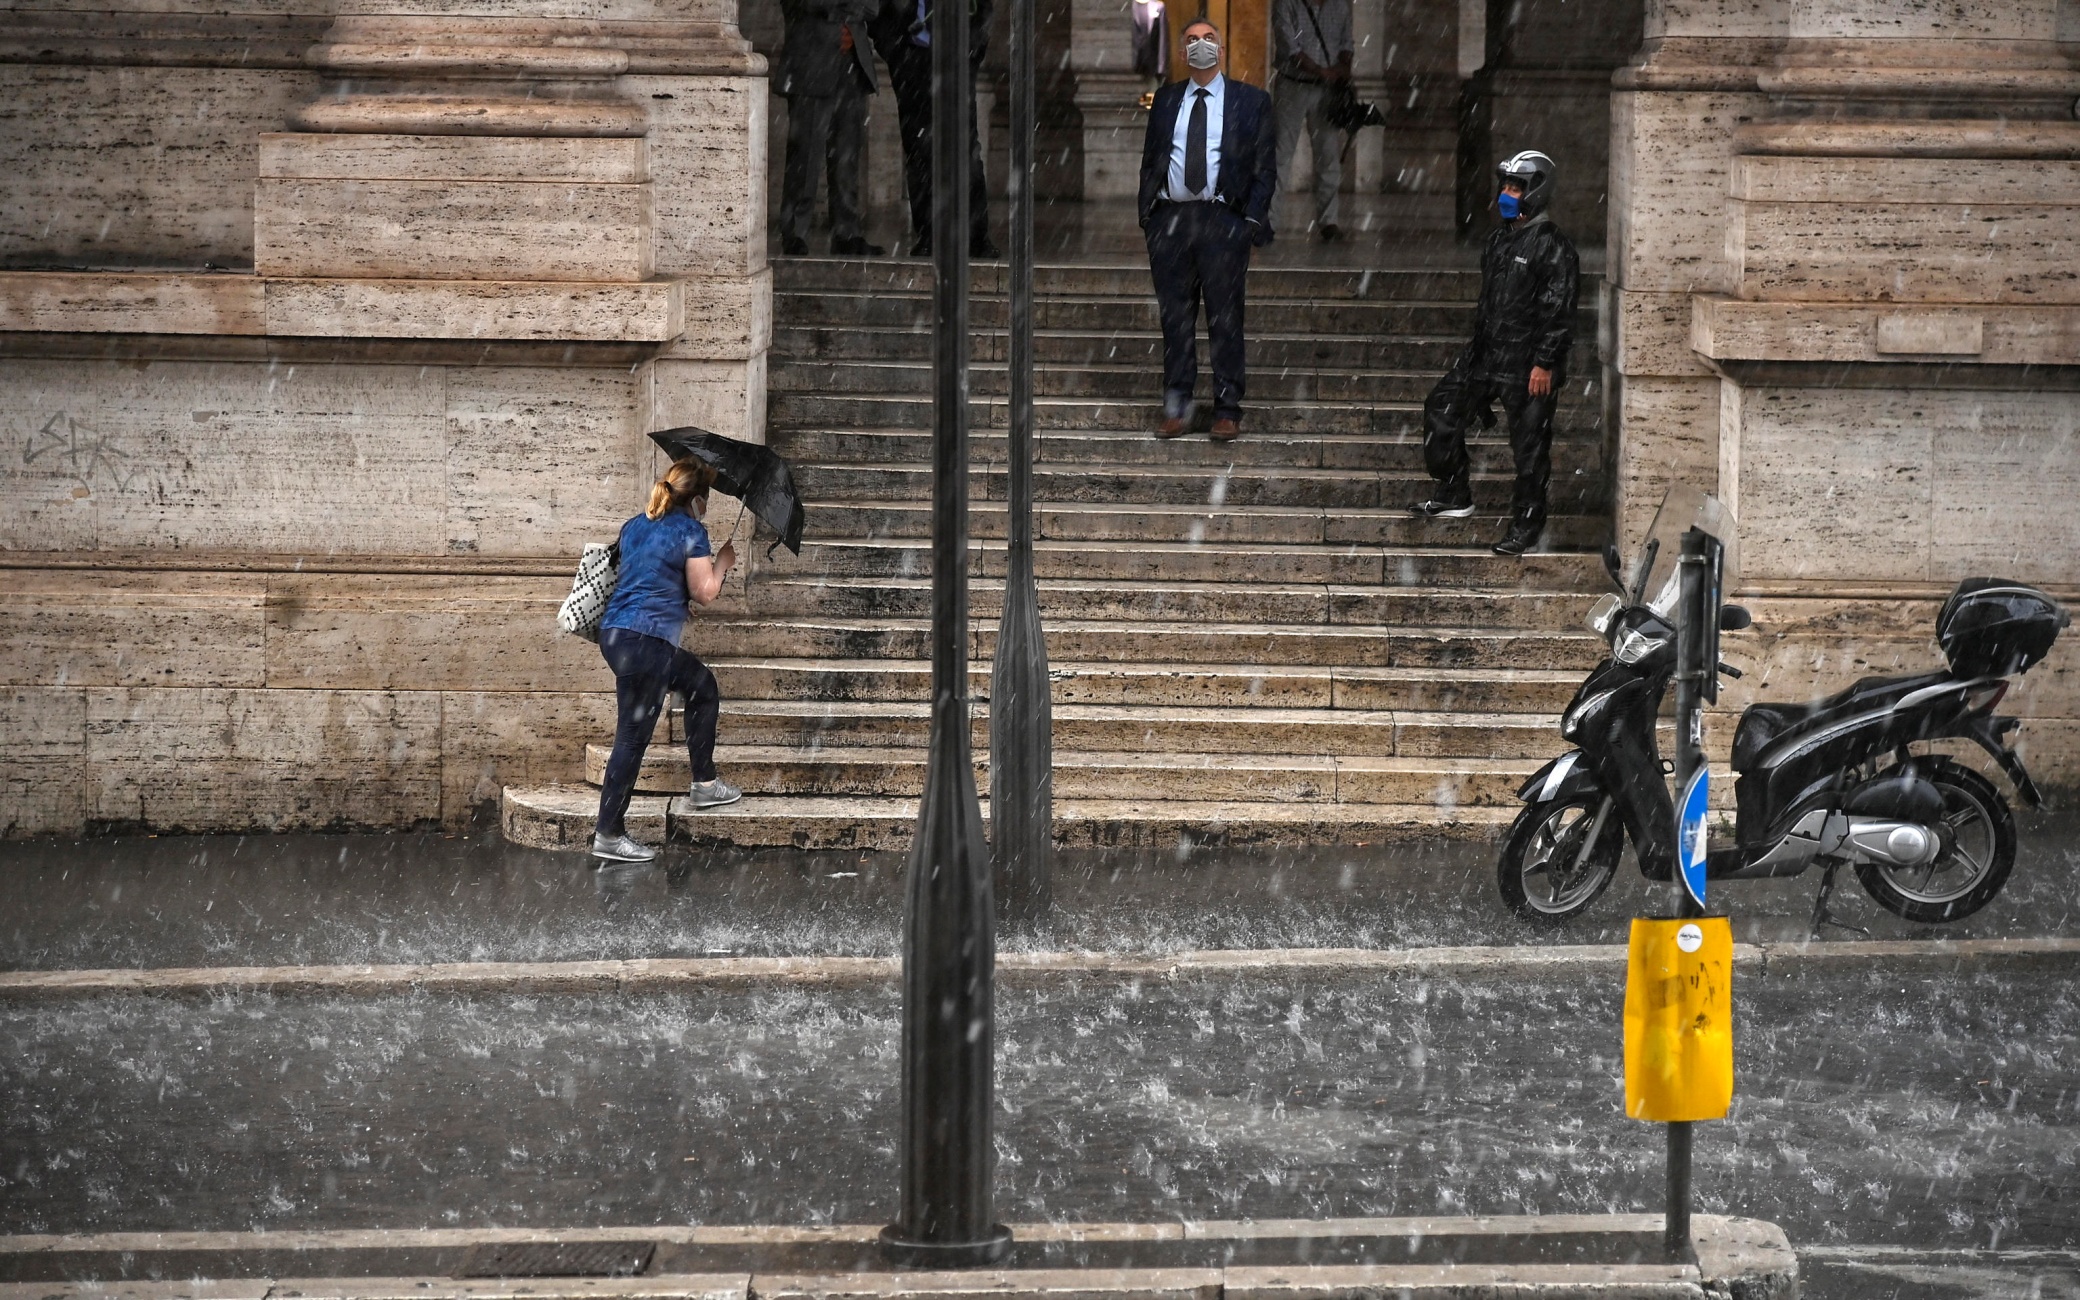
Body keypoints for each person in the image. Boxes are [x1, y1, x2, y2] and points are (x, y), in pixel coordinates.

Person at [1410, 149, 1579, 556]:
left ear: (1534, 192)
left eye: (1515, 188)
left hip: (1528, 365)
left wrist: (1545, 362)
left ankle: (1526, 525)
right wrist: (1476, 356)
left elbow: (1560, 311)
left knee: (1529, 452)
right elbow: (1488, 306)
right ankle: (1454, 491)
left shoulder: (1552, 246)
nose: (1507, 194)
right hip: (1487, 357)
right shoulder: (1499, 240)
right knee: (1442, 408)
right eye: (1505, 186)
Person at [591, 459, 742, 863]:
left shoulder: (634, 525)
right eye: (706, 498)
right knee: (631, 738)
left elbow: (642, 578)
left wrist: (675, 600)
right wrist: (723, 562)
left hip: (618, 635)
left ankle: (705, 783)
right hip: (646, 642)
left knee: (701, 685)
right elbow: (706, 592)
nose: (707, 505)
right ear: (695, 499)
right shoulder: (692, 531)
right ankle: (608, 832)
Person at [1136, 18, 1277, 442]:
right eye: (1192, 40)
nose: (1201, 45)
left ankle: (1227, 409)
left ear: (1221, 49)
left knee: (1225, 318)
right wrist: (1149, 214)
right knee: (1175, 318)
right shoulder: (1165, 100)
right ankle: (1177, 407)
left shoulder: (1250, 102)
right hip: (1172, 220)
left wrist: (1249, 222)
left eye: (1209, 39)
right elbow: (1152, 160)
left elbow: (1264, 168)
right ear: (1182, 54)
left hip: (1222, 220)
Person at [868, 0, 1000, 259]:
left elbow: (983, 11)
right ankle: (929, 234)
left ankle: (976, 235)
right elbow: (879, 13)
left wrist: (971, 51)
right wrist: (894, 51)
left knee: (966, 149)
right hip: (911, 61)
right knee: (918, 152)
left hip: (956, 61)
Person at [776, 0, 883, 256]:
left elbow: (873, 8)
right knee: (805, 155)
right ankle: (795, 232)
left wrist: (837, 10)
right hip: (811, 61)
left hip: (852, 65)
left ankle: (847, 232)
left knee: (847, 154)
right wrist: (845, 8)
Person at [1271, 0, 1353, 241]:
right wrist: (1322, 71)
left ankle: (1329, 221)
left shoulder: (1339, 6)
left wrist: (1342, 68)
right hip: (1293, 85)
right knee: (1280, 154)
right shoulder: (1286, 4)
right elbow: (1290, 48)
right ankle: (1269, 220)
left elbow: (1346, 44)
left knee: (1328, 155)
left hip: (1327, 91)